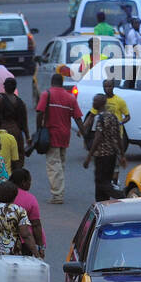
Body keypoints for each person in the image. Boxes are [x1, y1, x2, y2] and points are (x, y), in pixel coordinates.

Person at [35, 73, 84, 203]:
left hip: (52, 135)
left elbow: (40, 112)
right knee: (60, 164)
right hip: (65, 136)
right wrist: (84, 134)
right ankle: (59, 191)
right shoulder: (70, 98)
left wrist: (38, 130)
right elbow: (78, 118)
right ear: (62, 83)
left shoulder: (47, 94)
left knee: (53, 165)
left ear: (52, 82)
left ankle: (57, 195)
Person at [82, 94, 126, 202]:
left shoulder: (100, 118)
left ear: (100, 103)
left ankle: (121, 195)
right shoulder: (113, 116)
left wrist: (89, 156)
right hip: (112, 155)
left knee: (101, 182)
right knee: (106, 180)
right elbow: (118, 137)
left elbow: (97, 138)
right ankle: (104, 204)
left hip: (102, 155)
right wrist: (122, 154)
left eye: (95, 101)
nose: (93, 103)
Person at [0, 77, 30, 157]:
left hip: (0, 134)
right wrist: (27, 137)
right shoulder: (21, 103)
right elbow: (24, 123)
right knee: (17, 159)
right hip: (17, 133)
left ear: (4, 87)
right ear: (15, 88)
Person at [9, 167, 45, 256]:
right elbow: (36, 225)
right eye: (29, 181)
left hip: (0, 242)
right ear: (23, 182)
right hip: (24, 244)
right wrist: (40, 248)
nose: (30, 184)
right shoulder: (30, 199)